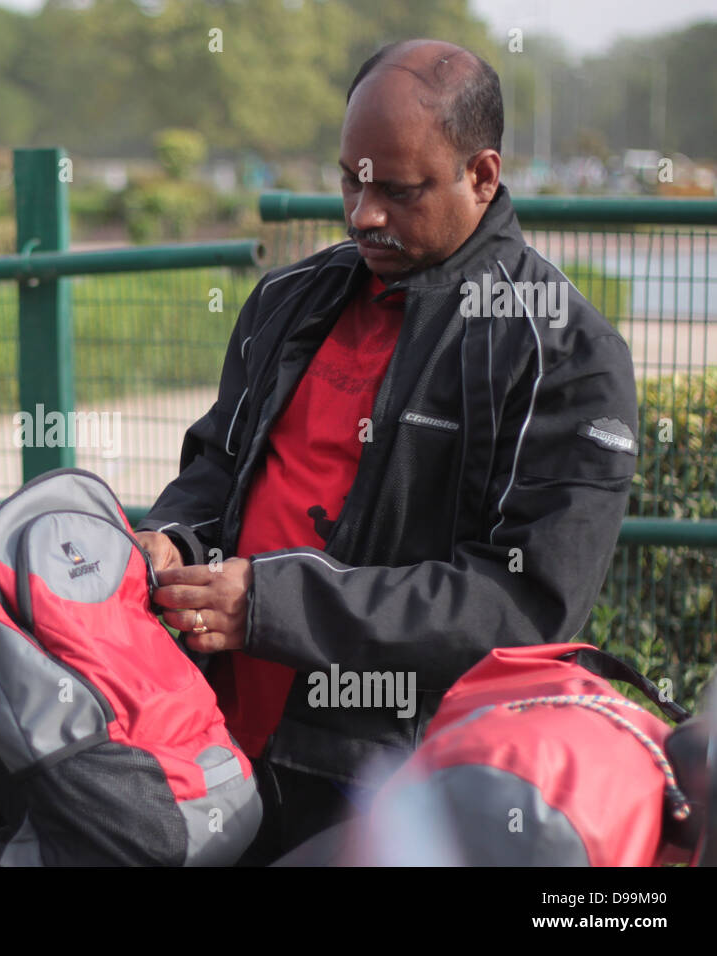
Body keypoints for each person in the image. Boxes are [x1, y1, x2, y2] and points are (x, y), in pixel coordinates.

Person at [134, 39, 640, 863]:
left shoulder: (564, 353)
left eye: (398, 191)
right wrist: (173, 540)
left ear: (482, 175)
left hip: (389, 779)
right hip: (208, 735)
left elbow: (525, 607)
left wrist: (272, 603)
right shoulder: (287, 299)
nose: (364, 213)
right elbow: (216, 471)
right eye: (350, 179)